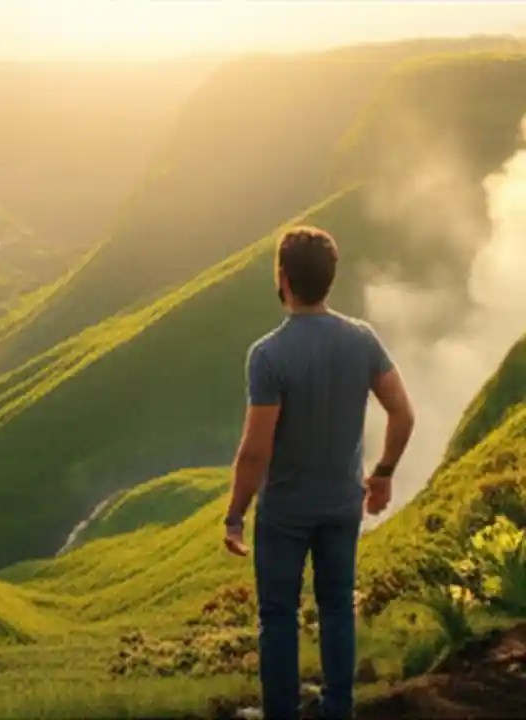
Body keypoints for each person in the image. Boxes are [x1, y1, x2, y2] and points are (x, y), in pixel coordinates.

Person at [222, 226, 415, 719]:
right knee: (336, 607)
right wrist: (384, 473)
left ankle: (281, 712)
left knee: (279, 616)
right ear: (329, 279)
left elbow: (255, 450)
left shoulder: (268, 355)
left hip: (285, 511)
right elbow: (403, 413)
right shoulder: (362, 340)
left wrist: (235, 515)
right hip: (341, 504)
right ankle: (338, 708)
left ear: (283, 278)